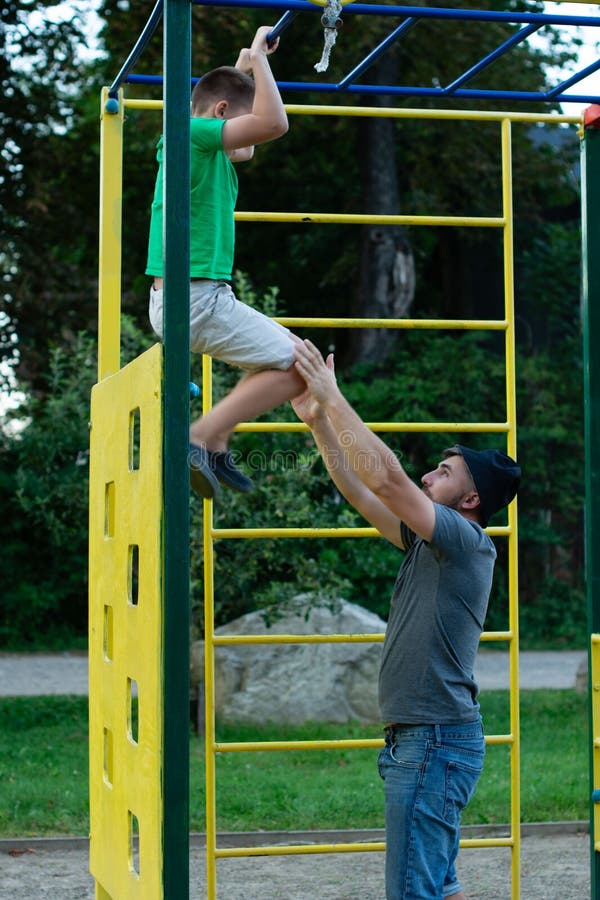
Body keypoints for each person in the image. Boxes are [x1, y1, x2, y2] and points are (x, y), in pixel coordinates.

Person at [292, 339, 521, 900]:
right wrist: (320, 420)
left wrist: (334, 394)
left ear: (470, 500)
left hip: (433, 743)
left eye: (442, 473)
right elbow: (361, 487)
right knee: (439, 887)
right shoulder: (428, 542)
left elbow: (389, 478)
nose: (426, 477)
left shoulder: (464, 541)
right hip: (429, 741)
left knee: (415, 891)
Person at [145, 26, 305, 499]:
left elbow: (248, 144)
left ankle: (213, 438)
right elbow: (273, 125)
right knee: (301, 365)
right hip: (194, 299)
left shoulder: (194, 143)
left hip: (191, 299)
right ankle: (201, 434)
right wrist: (261, 63)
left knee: (295, 359)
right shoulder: (189, 133)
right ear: (218, 115)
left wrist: (245, 66)